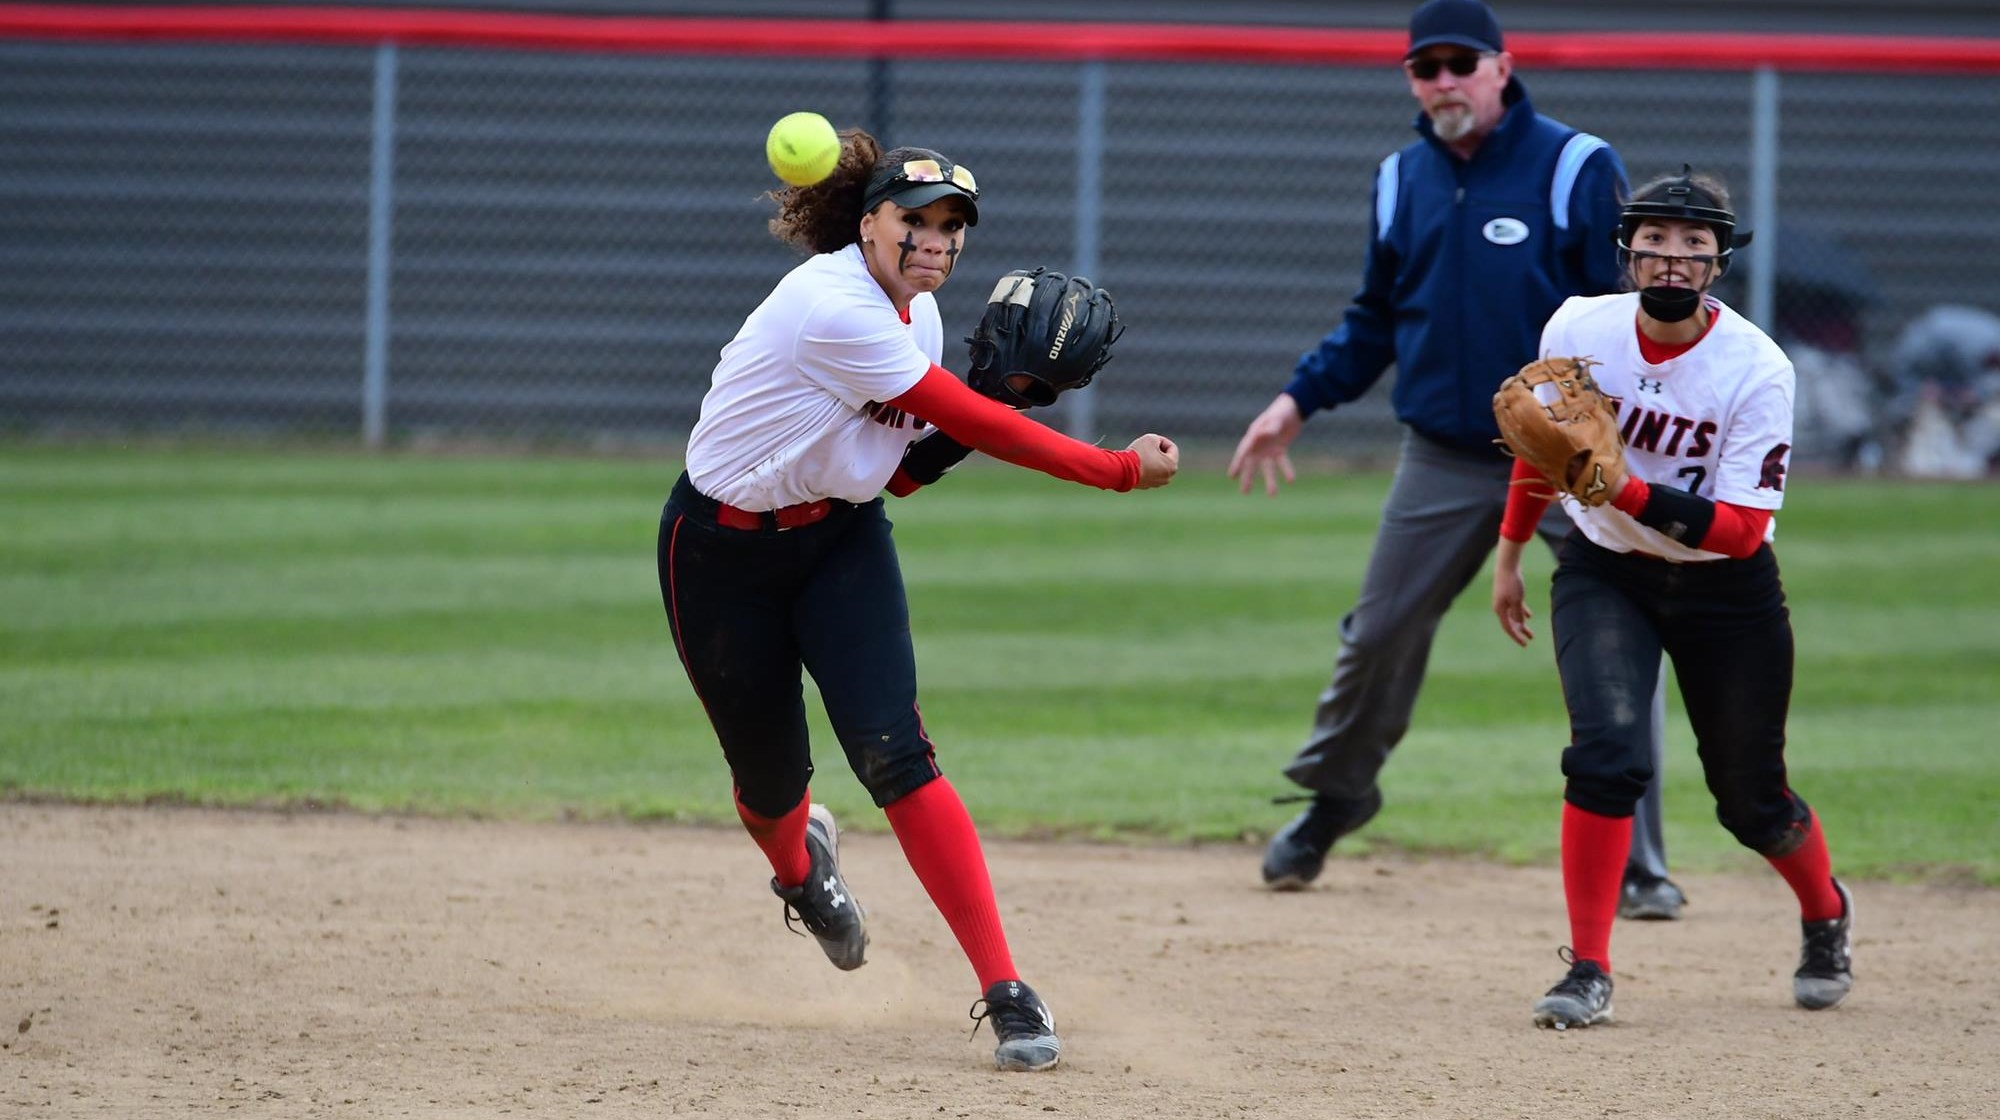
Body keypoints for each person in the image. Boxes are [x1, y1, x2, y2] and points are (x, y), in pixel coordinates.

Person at [657, 131, 1179, 1071]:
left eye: (951, 225)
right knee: (770, 784)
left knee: (896, 754)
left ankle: (1008, 991)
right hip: (718, 553)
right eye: (915, 219)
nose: (935, 239)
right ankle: (799, 871)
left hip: (841, 542)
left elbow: (899, 474)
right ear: (868, 224)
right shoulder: (829, 303)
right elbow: (969, 421)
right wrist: (1112, 469)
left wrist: (1000, 386)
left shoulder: (921, 317)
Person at [1228, 0, 1684, 919]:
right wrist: (1295, 402)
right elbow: (1374, 319)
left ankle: (1638, 858)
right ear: (1410, 81)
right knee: (1378, 634)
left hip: (1570, 456)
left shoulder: (1574, 168)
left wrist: (1631, 437)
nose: (1442, 82)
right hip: (1444, 452)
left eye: (1458, 63)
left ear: (1501, 68)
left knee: (1614, 639)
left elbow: (1626, 317)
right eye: (1423, 68)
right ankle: (1340, 797)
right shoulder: (1401, 178)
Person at [1491, 168, 1853, 1028]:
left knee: (1750, 799)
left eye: (1694, 244)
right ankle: (1588, 966)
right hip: (1605, 569)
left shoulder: (1757, 368)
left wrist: (1622, 490)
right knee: (1607, 757)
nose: (1671, 258)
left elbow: (1739, 530)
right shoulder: (1580, 324)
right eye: (1654, 239)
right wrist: (1509, 554)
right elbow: (1542, 442)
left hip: (1726, 593)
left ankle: (1826, 914)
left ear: (1719, 262)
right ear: (1627, 253)